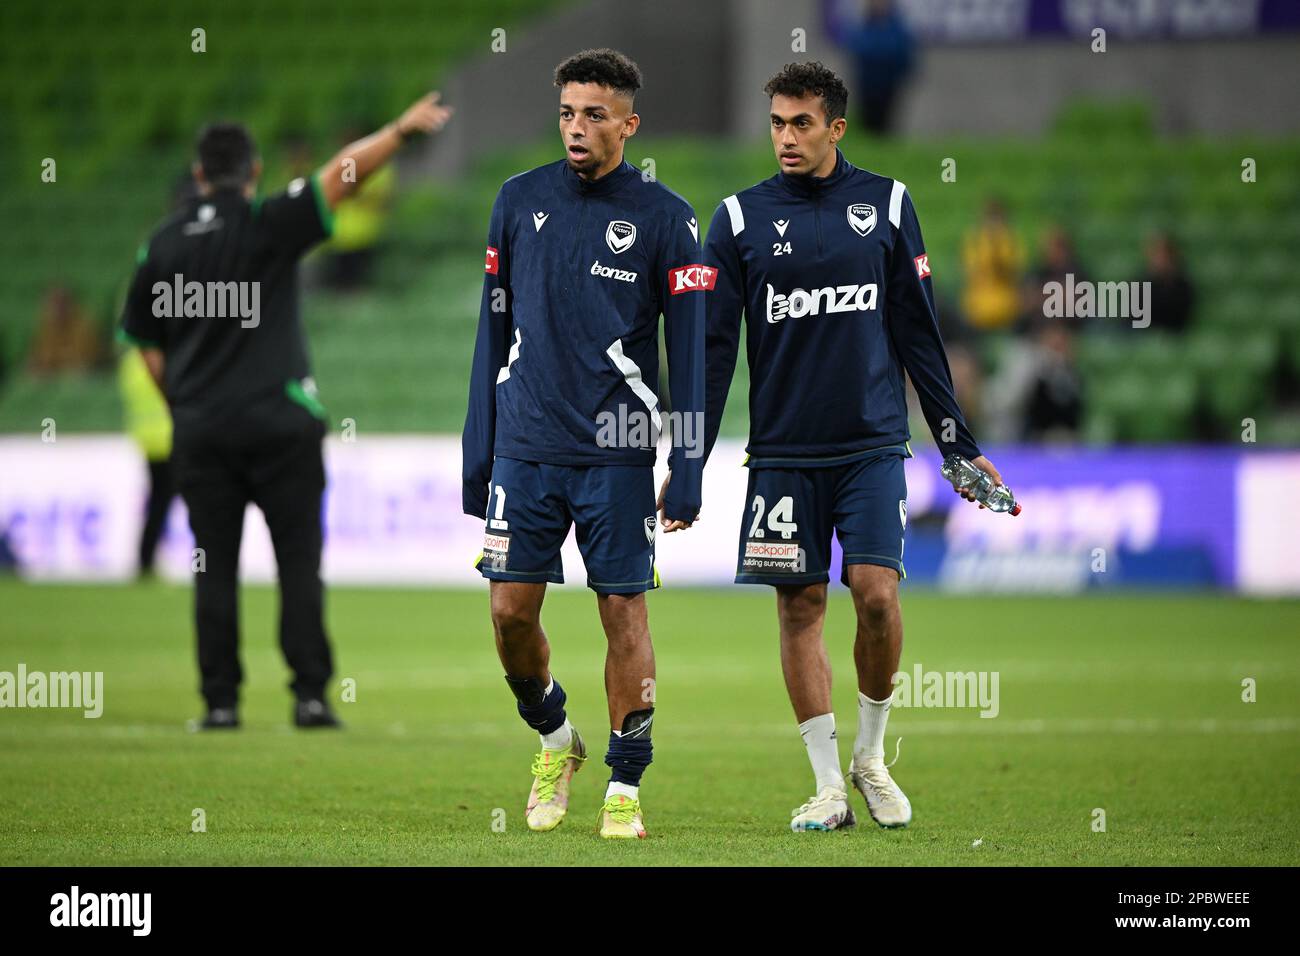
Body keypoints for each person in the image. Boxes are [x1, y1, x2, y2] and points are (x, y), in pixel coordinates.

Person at [701, 62, 1003, 831]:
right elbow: (712, 351)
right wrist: (687, 463)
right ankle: (829, 786)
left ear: (836, 127)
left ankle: (871, 757)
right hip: (781, 453)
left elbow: (919, 335)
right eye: (776, 123)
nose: (786, 138)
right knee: (800, 607)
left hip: (871, 443)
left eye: (802, 123)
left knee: (875, 594)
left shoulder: (890, 204)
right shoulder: (737, 219)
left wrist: (956, 446)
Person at [118, 93, 453, 730]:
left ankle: (219, 704)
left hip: (202, 430)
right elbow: (342, 175)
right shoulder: (267, 223)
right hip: (280, 423)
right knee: (298, 563)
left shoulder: (159, 247)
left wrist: (186, 407)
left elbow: (146, 348)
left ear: (197, 175)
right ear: (253, 171)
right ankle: (310, 696)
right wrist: (398, 132)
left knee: (211, 566)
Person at [461, 49, 705, 840]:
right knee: (507, 614)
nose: (576, 127)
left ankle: (626, 785)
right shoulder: (517, 198)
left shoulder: (668, 217)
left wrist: (689, 461)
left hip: (618, 445)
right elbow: (492, 331)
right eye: (567, 111)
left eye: (595, 114)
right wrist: (479, 445)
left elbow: (691, 353)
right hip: (526, 441)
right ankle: (556, 739)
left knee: (622, 612)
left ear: (629, 125)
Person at [118, 345, 175, 578]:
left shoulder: (129, 363)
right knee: (169, 501)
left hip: (147, 440)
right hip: (169, 437)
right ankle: (147, 559)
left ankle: (145, 558)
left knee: (158, 502)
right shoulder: (162, 355)